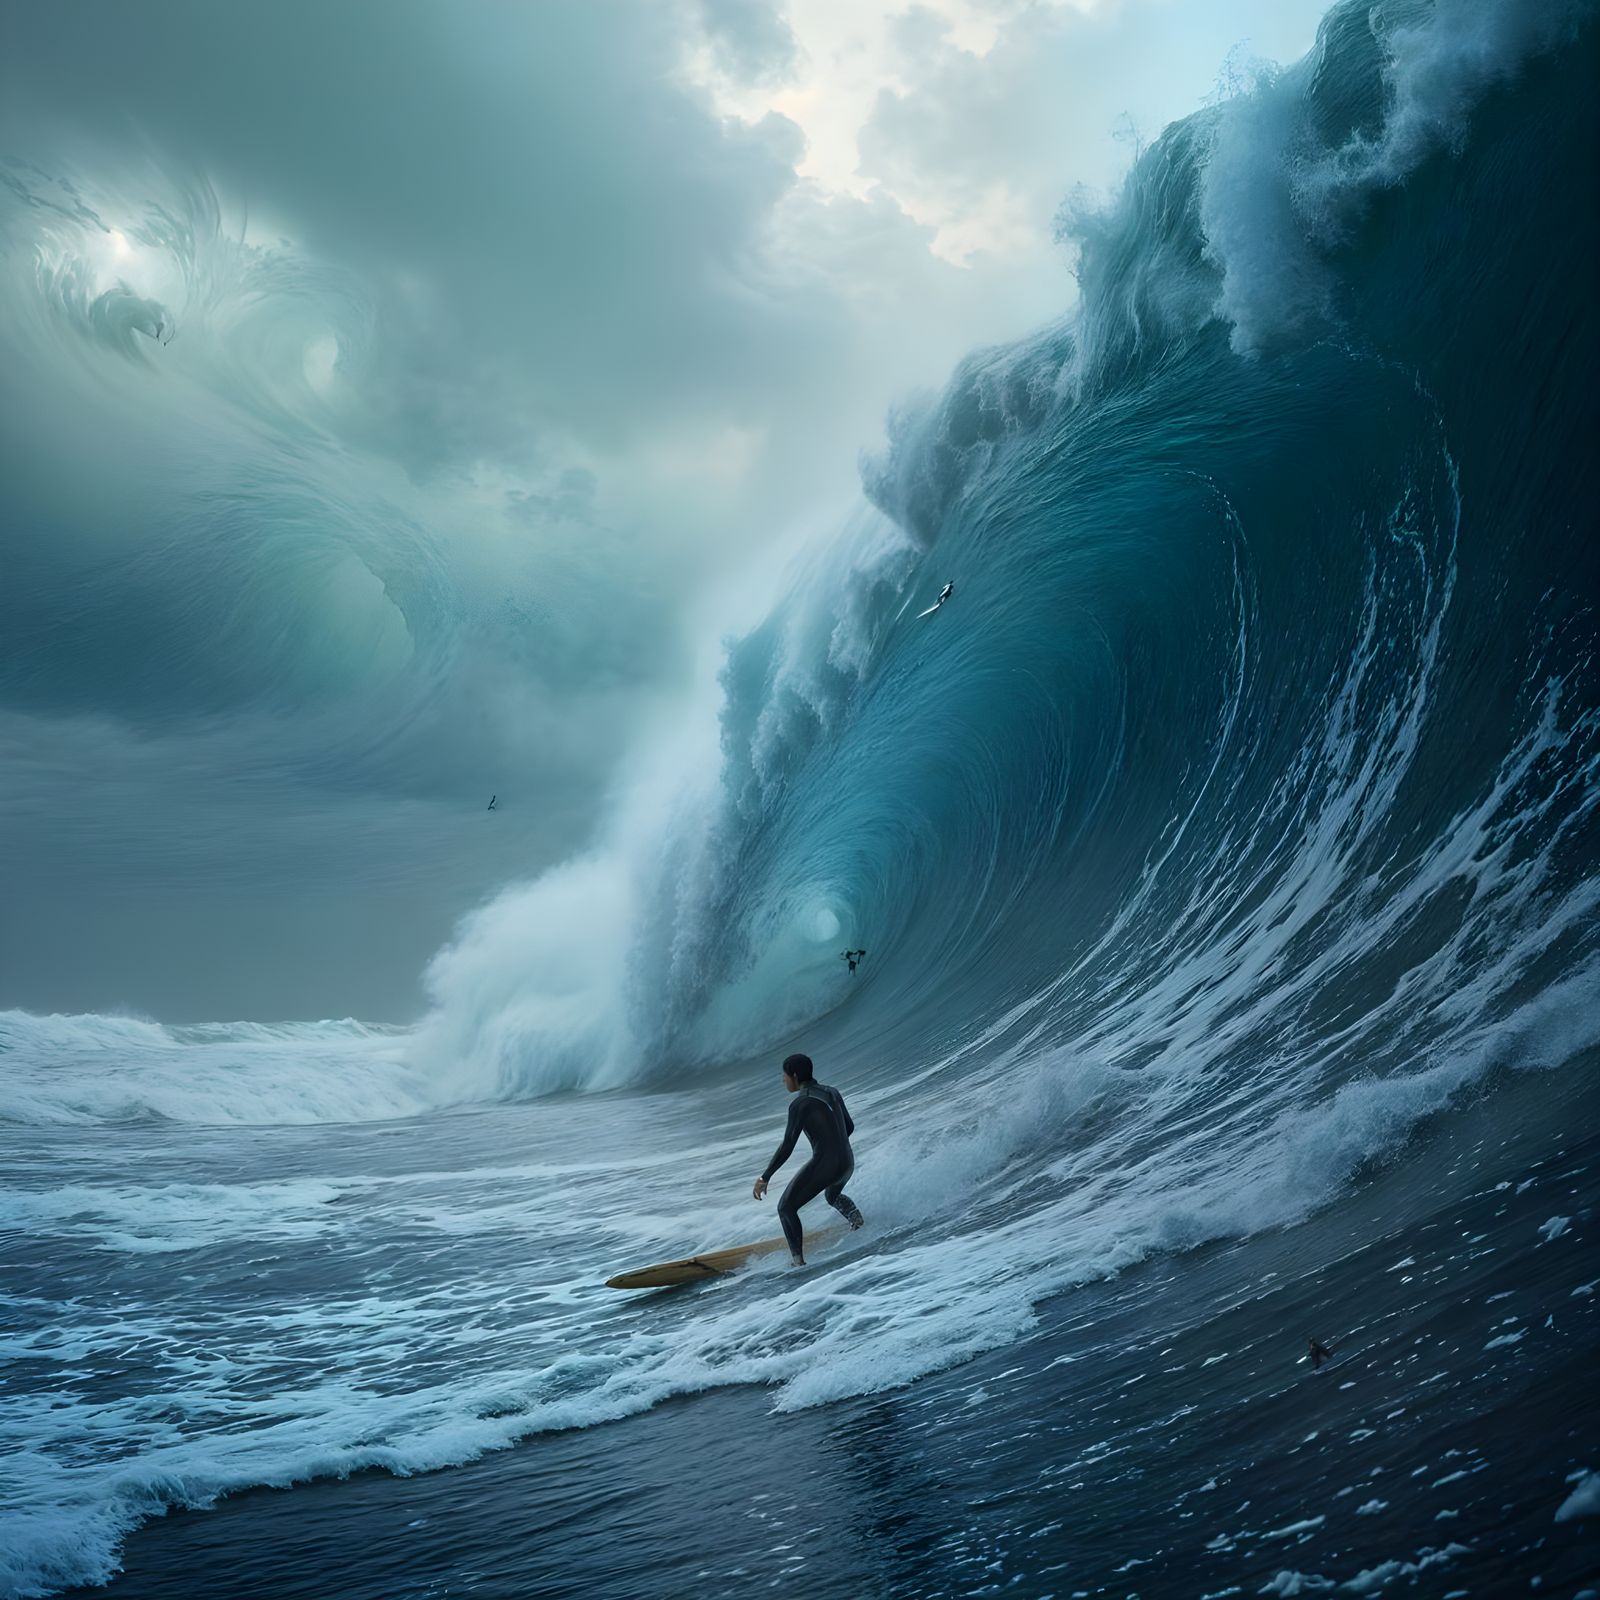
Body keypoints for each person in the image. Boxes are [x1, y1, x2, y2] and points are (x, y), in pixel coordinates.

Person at [752, 1052, 865, 1265]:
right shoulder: (832, 1092)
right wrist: (834, 1145)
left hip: (827, 1163)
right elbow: (849, 1127)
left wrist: (765, 1176)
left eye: (784, 1076)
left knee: (785, 1208)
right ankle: (857, 1222)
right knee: (832, 1195)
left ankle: (798, 1264)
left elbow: (788, 1145)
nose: (783, 1080)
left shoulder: (799, 1104)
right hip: (847, 1160)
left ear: (794, 1076)